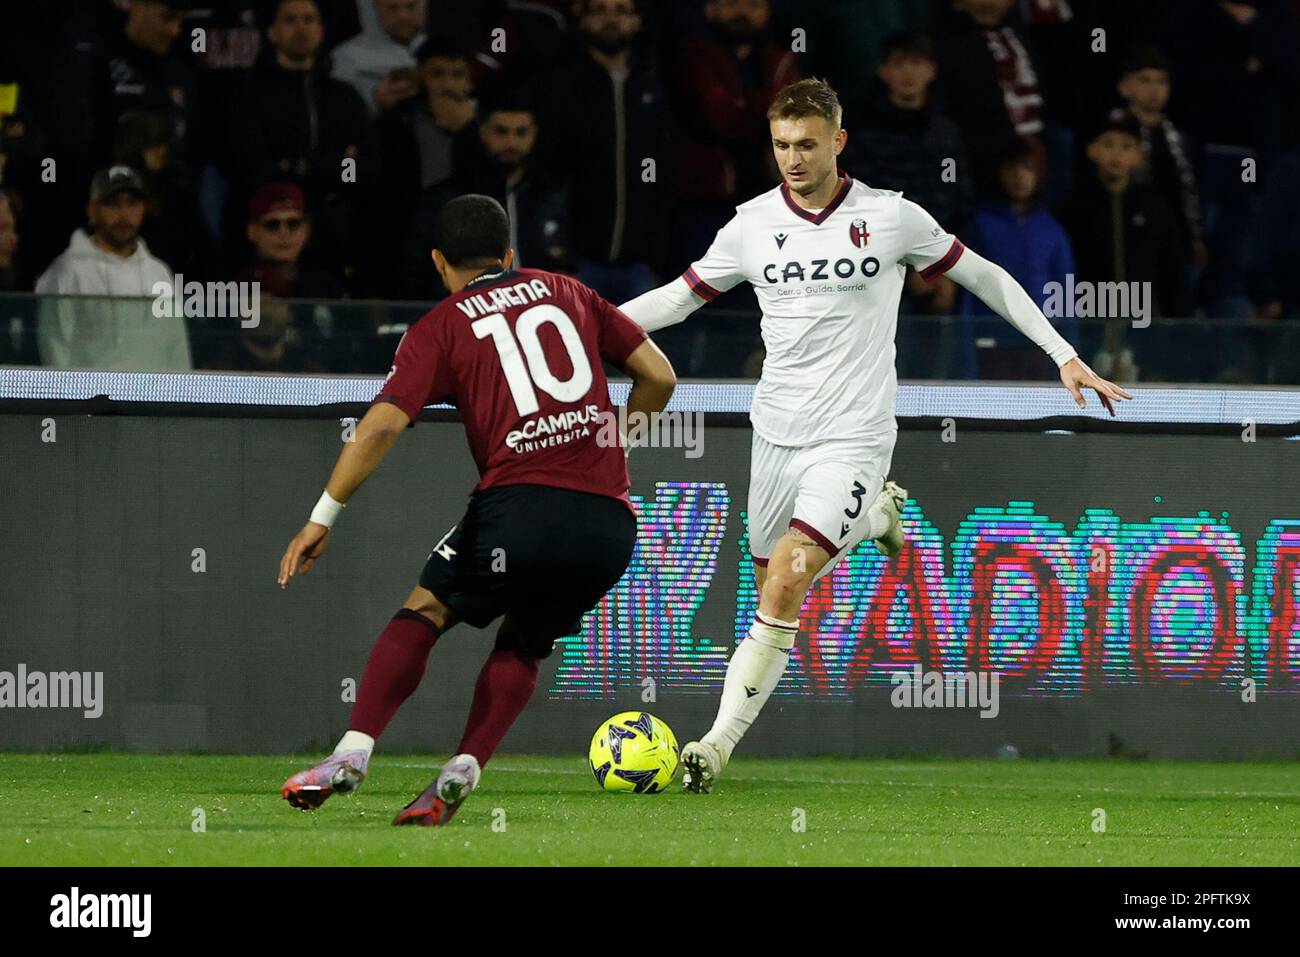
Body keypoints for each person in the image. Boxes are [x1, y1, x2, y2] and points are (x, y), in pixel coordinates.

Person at [619, 79, 1129, 793]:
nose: (793, 159)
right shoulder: (750, 226)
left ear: (838, 141)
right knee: (772, 590)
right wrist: (588, 324)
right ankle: (877, 516)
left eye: (806, 144)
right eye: (781, 145)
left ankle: (715, 745)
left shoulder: (891, 217)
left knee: (789, 577)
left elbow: (985, 277)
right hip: (776, 434)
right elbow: (679, 298)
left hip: (853, 435)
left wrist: (1063, 353)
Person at [277, 194, 677, 825]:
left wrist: (322, 515)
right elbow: (660, 376)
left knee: (426, 609)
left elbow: (381, 426)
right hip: (607, 526)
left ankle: (352, 752)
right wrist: (614, 443)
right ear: (509, 254)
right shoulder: (570, 291)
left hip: (517, 511)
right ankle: (466, 764)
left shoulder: (440, 326)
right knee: (525, 641)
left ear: (439, 261)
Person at [35, 166, 191, 371]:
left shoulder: (159, 273)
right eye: (113, 204)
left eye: (132, 203)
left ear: (144, 208)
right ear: (92, 209)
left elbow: (177, 350)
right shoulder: (68, 272)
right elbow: (55, 350)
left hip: (154, 392)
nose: (124, 214)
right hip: (90, 392)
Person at [330, 0, 427, 116]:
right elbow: (336, 112)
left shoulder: (437, 49)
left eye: (411, 6)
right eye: (393, 8)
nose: (403, 16)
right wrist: (374, 101)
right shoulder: (345, 57)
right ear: (373, 11)